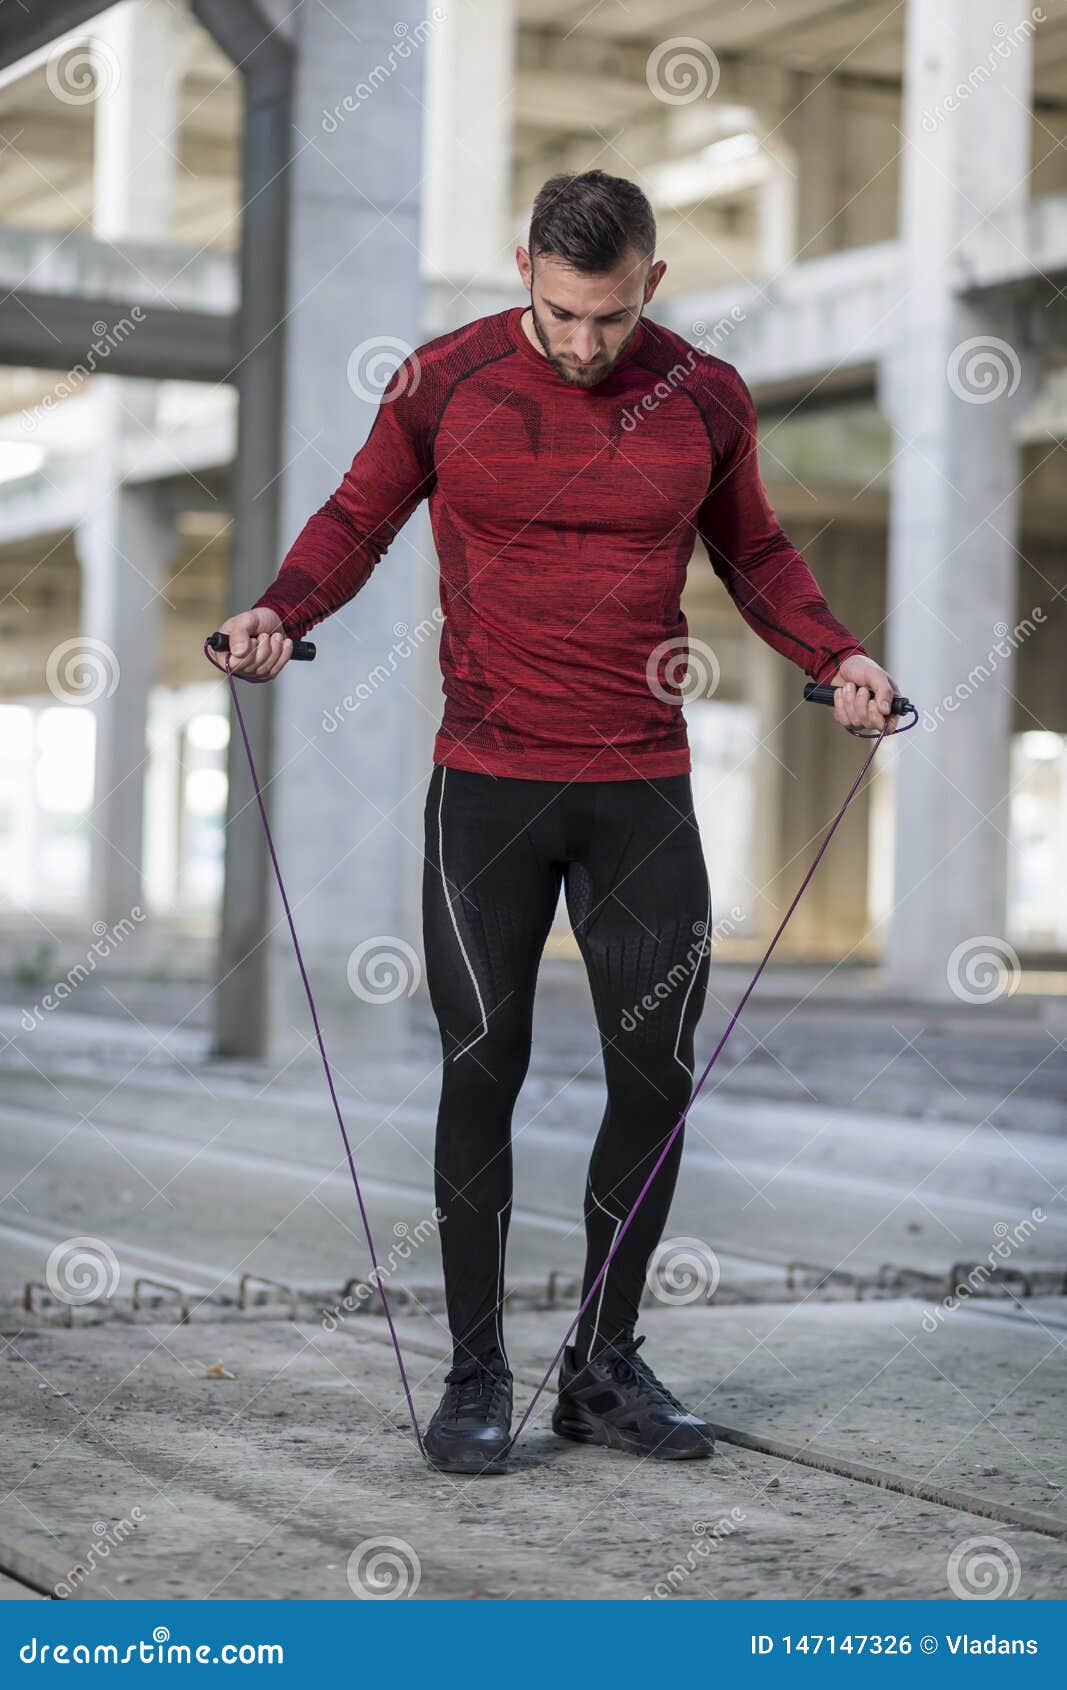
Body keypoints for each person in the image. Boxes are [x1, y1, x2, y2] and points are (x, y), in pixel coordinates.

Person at [215, 169, 901, 1476]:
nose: (585, 345)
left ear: (654, 281)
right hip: (489, 785)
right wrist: (281, 611)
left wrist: (840, 654)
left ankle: (602, 1363)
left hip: (641, 787)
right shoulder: (441, 382)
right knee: (485, 1063)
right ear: (523, 265)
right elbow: (358, 518)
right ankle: (478, 1371)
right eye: (564, 313)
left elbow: (756, 552)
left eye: (612, 317)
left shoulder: (704, 394)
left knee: (656, 1076)